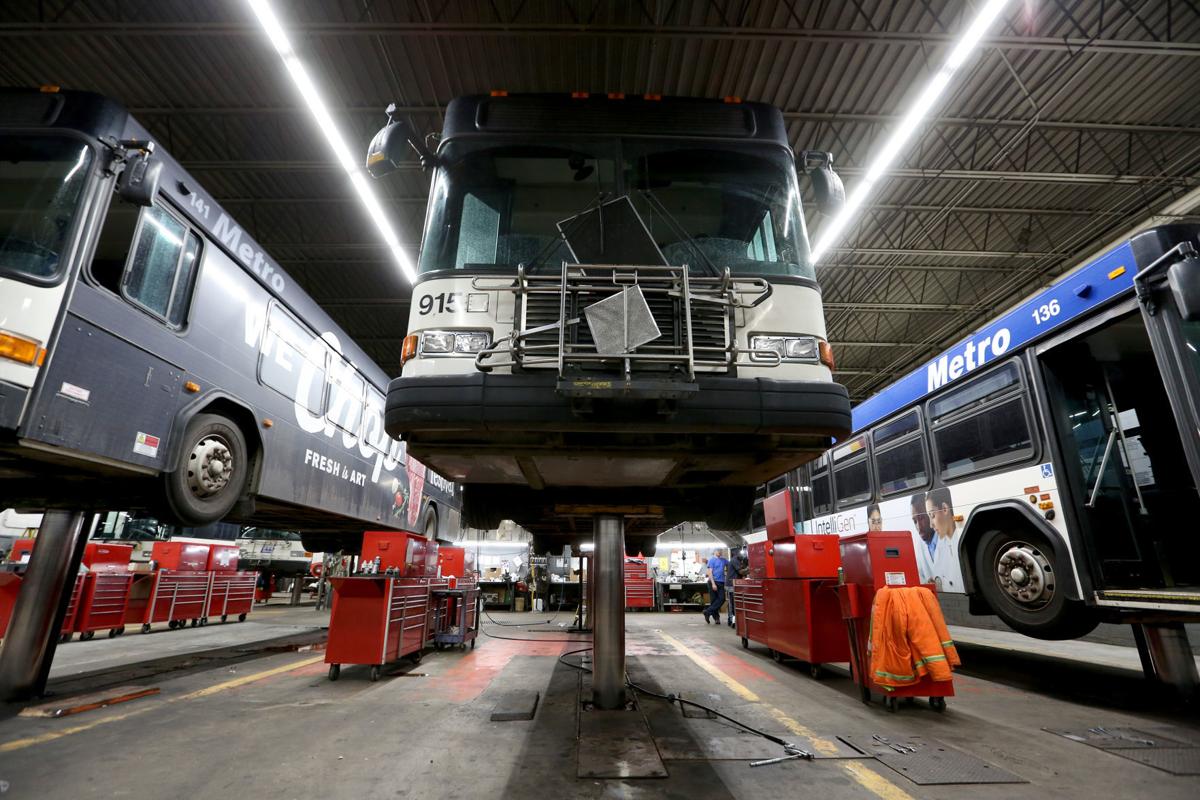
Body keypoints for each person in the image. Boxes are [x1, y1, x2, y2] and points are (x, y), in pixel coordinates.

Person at [926, 486, 960, 592]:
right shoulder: (940, 547)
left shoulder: (960, 541)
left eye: (932, 516)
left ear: (945, 509)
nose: (931, 525)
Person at [911, 492, 936, 583]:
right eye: (914, 521)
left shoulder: (943, 537)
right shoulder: (919, 546)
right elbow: (920, 575)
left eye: (921, 518)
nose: (919, 526)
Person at [703, 548, 729, 624]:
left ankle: (707, 612)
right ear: (715, 552)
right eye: (718, 551)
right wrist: (713, 583)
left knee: (722, 599)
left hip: (721, 582)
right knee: (714, 600)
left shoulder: (724, 560)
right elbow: (710, 573)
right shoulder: (712, 560)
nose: (720, 552)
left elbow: (730, 565)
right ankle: (717, 619)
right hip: (712, 582)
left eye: (721, 551)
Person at [725, 549, 748, 628]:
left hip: (734, 584)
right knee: (732, 604)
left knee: (734, 603)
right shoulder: (734, 560)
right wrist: (751, 569)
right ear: (737, 554)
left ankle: (733, 620)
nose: (744, 555)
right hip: (731, 585)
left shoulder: (739, 560)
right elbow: (741, 572)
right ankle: (731, 621)